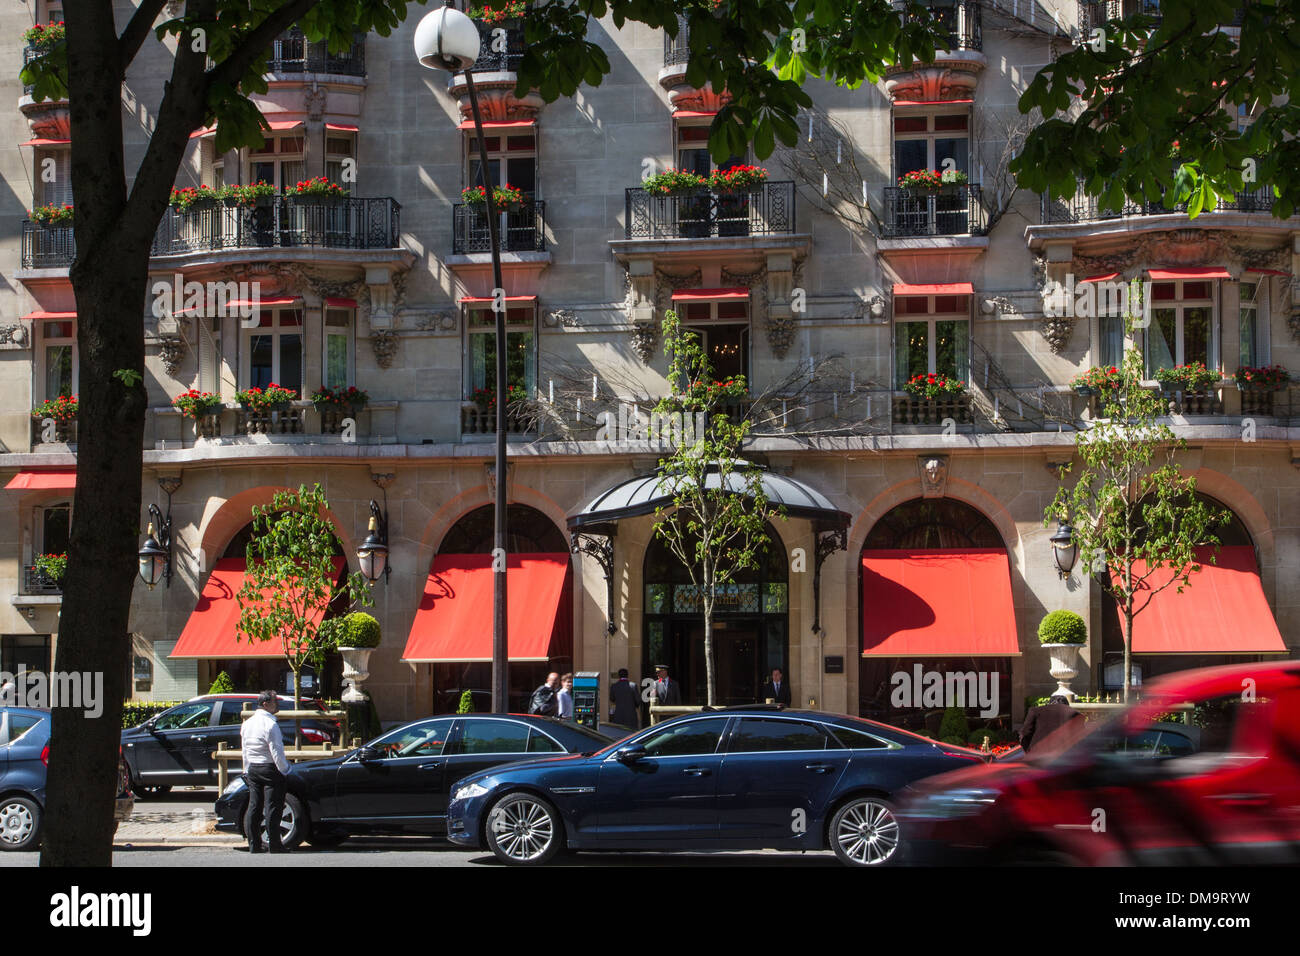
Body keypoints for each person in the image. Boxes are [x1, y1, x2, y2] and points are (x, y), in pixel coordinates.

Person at [240, 690, 290, 854]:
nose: (277, 705)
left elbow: (245, 750)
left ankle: (254, 844)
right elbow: (276, 751)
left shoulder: (247, 723)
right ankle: (275, 844)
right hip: (269, 767)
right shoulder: (270, 724)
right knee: (273, 807)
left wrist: (246, 769)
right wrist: (284, 770)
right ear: (265, 704)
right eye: (275, 702)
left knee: (254, 806)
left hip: (253, 767)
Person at [1019, 695, 1084, 752]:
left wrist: (1028, 751)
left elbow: (1024, 733)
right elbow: (1081, 738)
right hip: (1065, 758)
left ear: (1049, 703)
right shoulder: (1075, 713)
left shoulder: (1035, 711)